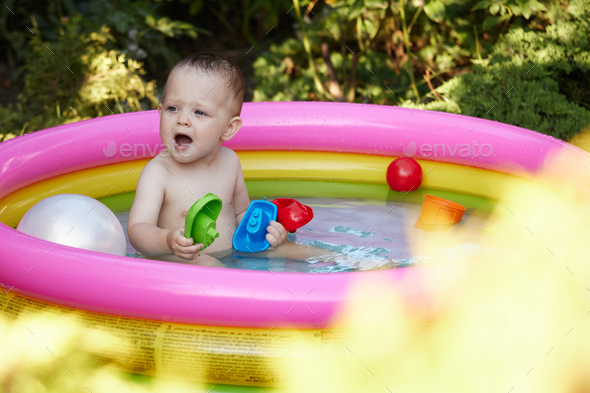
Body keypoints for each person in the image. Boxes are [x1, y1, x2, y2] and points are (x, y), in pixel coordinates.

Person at [127, 52, 327, 266]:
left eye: (199, 112)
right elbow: (138, 230)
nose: (182, 119)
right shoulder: (158, 173)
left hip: (234, 251)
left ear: (228, 128)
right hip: (175, 259)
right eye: (172, 108)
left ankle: (348, 267)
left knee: (294, 250)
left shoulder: (230, 162)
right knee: (210, 265)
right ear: (160, 112)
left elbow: (241, 213)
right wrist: (167, 241)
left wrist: (270, 235)